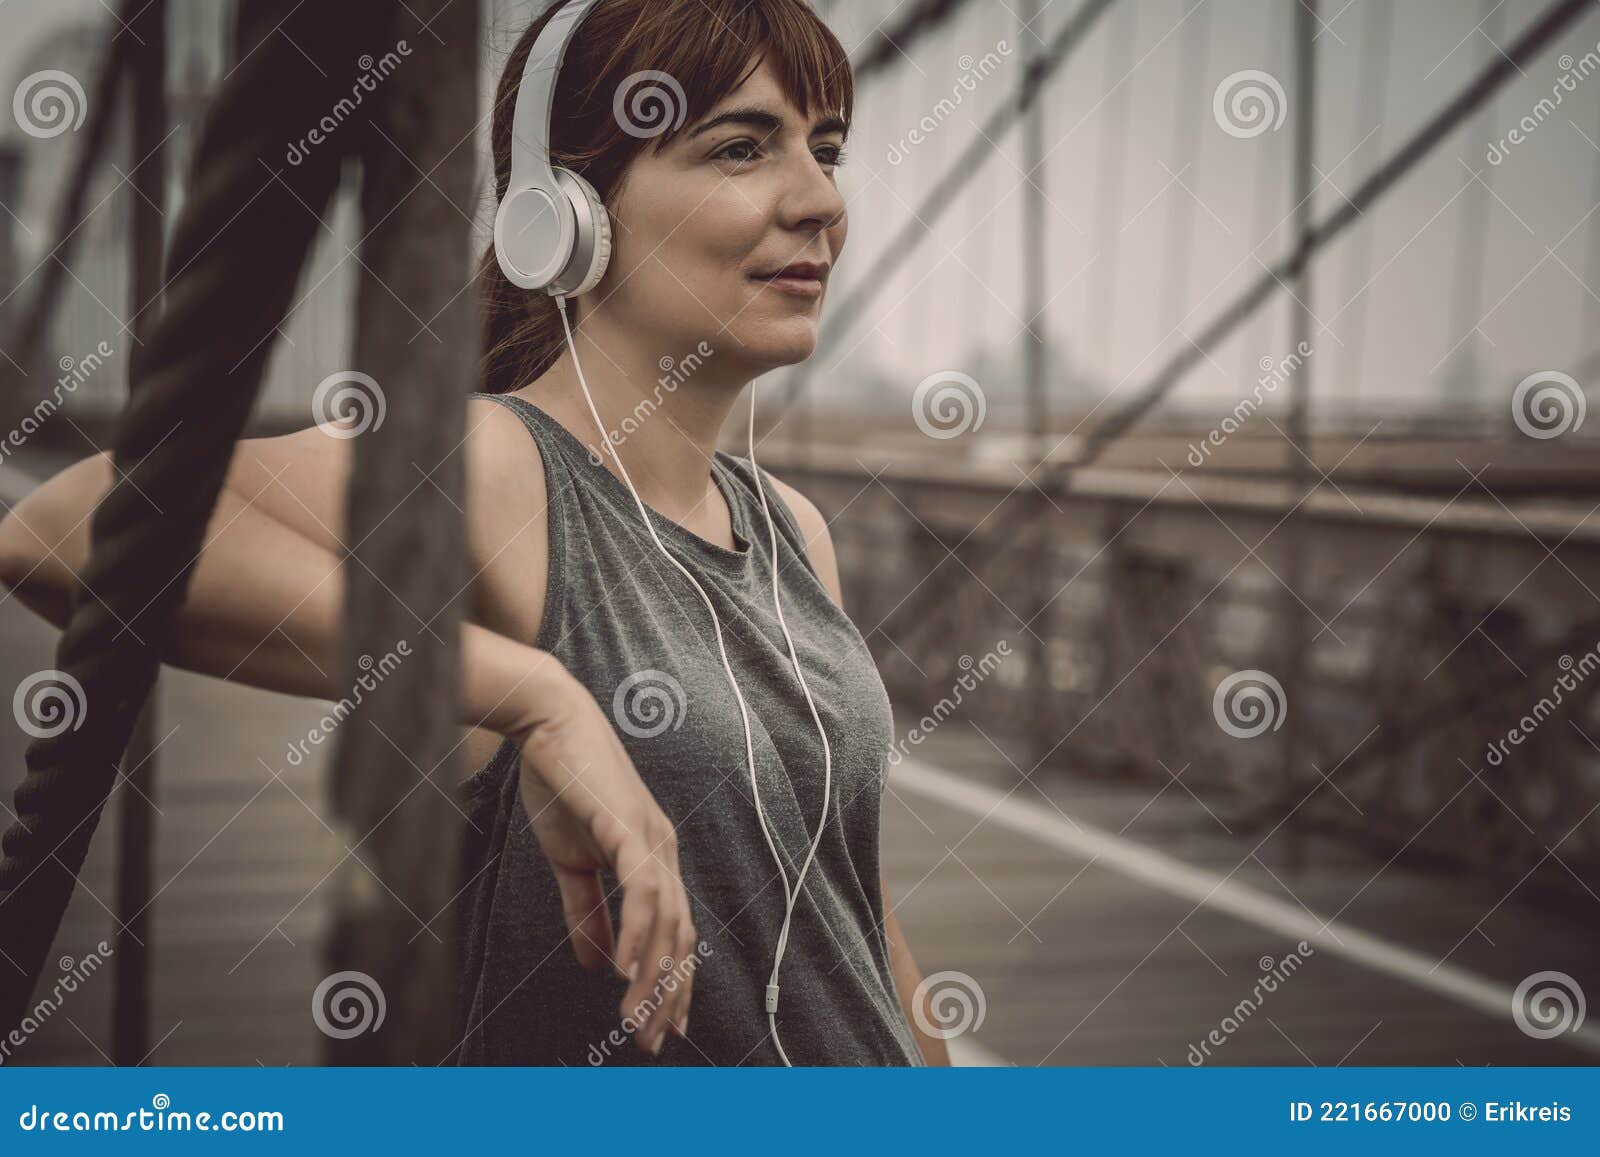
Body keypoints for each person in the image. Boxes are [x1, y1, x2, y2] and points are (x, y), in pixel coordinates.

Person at [0, 0, 948, 1067]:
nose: (821, 200)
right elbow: (60, 525)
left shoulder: (791, 531)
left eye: (826, 149)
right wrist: (537, 699)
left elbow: (850, 912)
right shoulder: (503, 469)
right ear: (566, 213)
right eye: (740, 147)